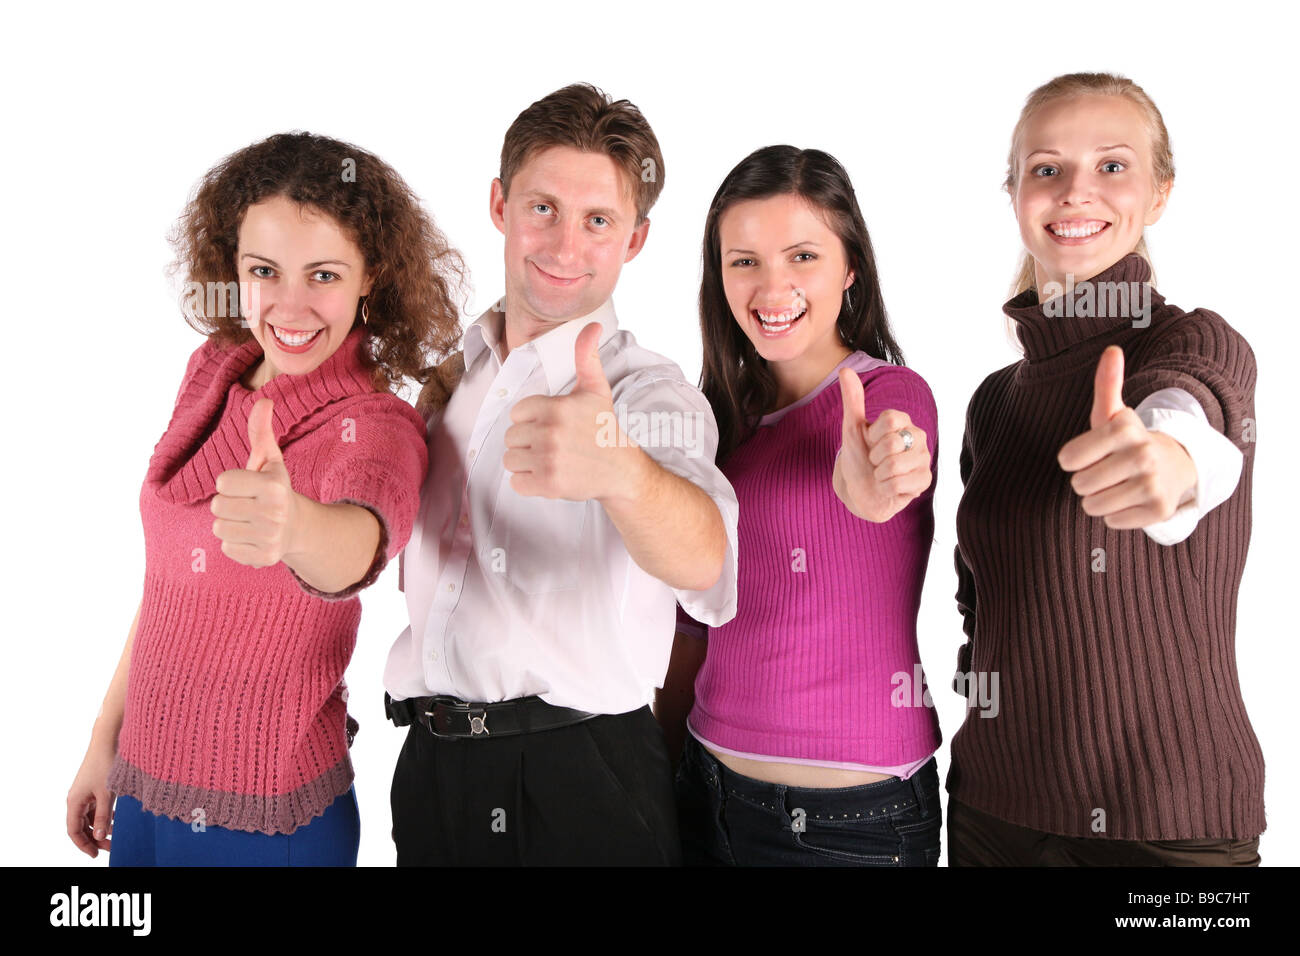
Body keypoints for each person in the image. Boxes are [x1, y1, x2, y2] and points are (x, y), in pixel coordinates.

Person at [65, 131, 465, 866]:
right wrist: (104, 742)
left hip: (264, 824)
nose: (290, 305)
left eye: (323, 274)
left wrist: (296, 526)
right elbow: (165, 590)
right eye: (263, 271)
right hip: (144, 796)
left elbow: (360, 541)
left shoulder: (374, 427)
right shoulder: (215, 368)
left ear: (370, 274)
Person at [383, 83, 739, 866]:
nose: (565, 245)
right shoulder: (451, 378)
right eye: (543, 208)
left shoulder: (648, 390)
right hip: (430, 769)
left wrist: (622, 472)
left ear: (636, 240)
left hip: (581, 781)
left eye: (599, 221)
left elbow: (706, 563)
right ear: (499, 205)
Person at [946, 72, 1264, 865]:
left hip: (1168, 825)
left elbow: (1191, 420)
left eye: (1113, 166)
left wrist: (1168, 464)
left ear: (1158, 194)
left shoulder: (1191, 342)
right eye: (1046, 169)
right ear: (1015, 193)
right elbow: (981, 603)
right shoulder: (994, 402)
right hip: (992, 811)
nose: (1075, 192)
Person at [659, 146, 943, 866]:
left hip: (850, 823)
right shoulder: (717, 420)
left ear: (851, 269)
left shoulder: (888, 396)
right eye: (744, 260)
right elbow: (695, 621)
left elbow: (889, 467)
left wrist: (880, 477)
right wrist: (655, 765)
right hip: (703, 787)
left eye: (803, 256)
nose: (771, 285)